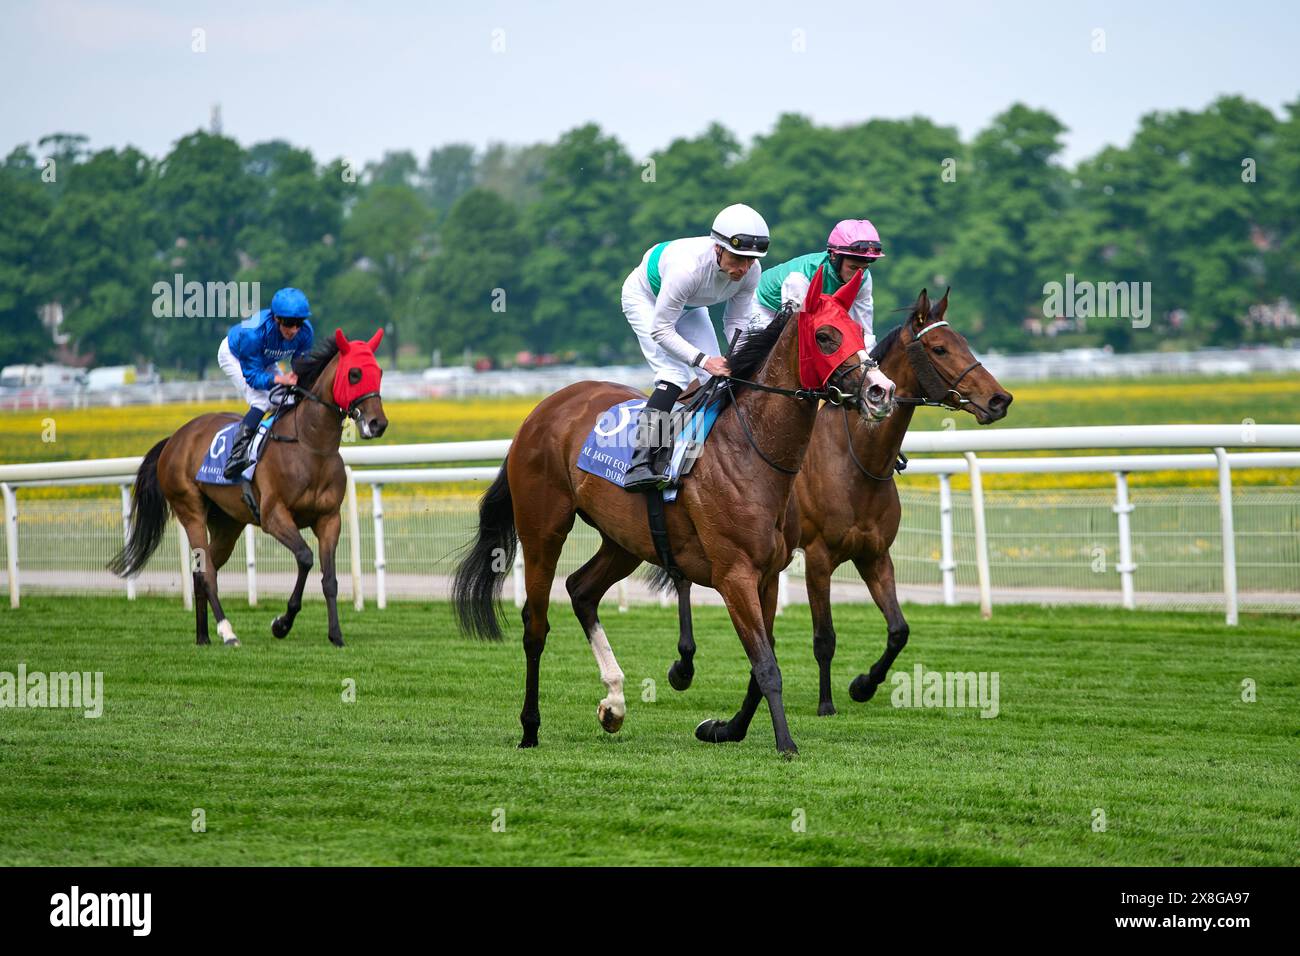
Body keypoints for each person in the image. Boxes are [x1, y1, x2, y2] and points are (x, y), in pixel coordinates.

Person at [620, 203, 769, 491]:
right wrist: (704, 359)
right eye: (739, 258)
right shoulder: (687, 269)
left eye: (751, 260)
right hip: (646, 299)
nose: (744, 268)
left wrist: (738, 360)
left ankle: (701, 453)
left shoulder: (752, 271)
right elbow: (661, 329)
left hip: (690, 305)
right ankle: (640, 463)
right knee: (673, 375)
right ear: (718, 248)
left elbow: (736, 320)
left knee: (718, 381)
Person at [753, 218, 895, 398]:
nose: (857, 276)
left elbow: (864, 332)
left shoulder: (863, 278)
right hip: (764, 307)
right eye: (852, 267)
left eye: (863, 268)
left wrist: (870, 373)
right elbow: (795, 334)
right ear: (834, 257)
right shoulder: (801, 277)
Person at [216, 287, 315, 480]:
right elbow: (253, 377)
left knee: (288, 399)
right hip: (235, 356)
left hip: (266, 359)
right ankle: (236, 455)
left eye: (299, 323)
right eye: (289, 323)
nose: (294, 330)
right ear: (277, 318)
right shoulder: (253, 333)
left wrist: (296, 378)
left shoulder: (305, 332)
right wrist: (280, 379)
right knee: (261, 400)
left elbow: (300, 363)